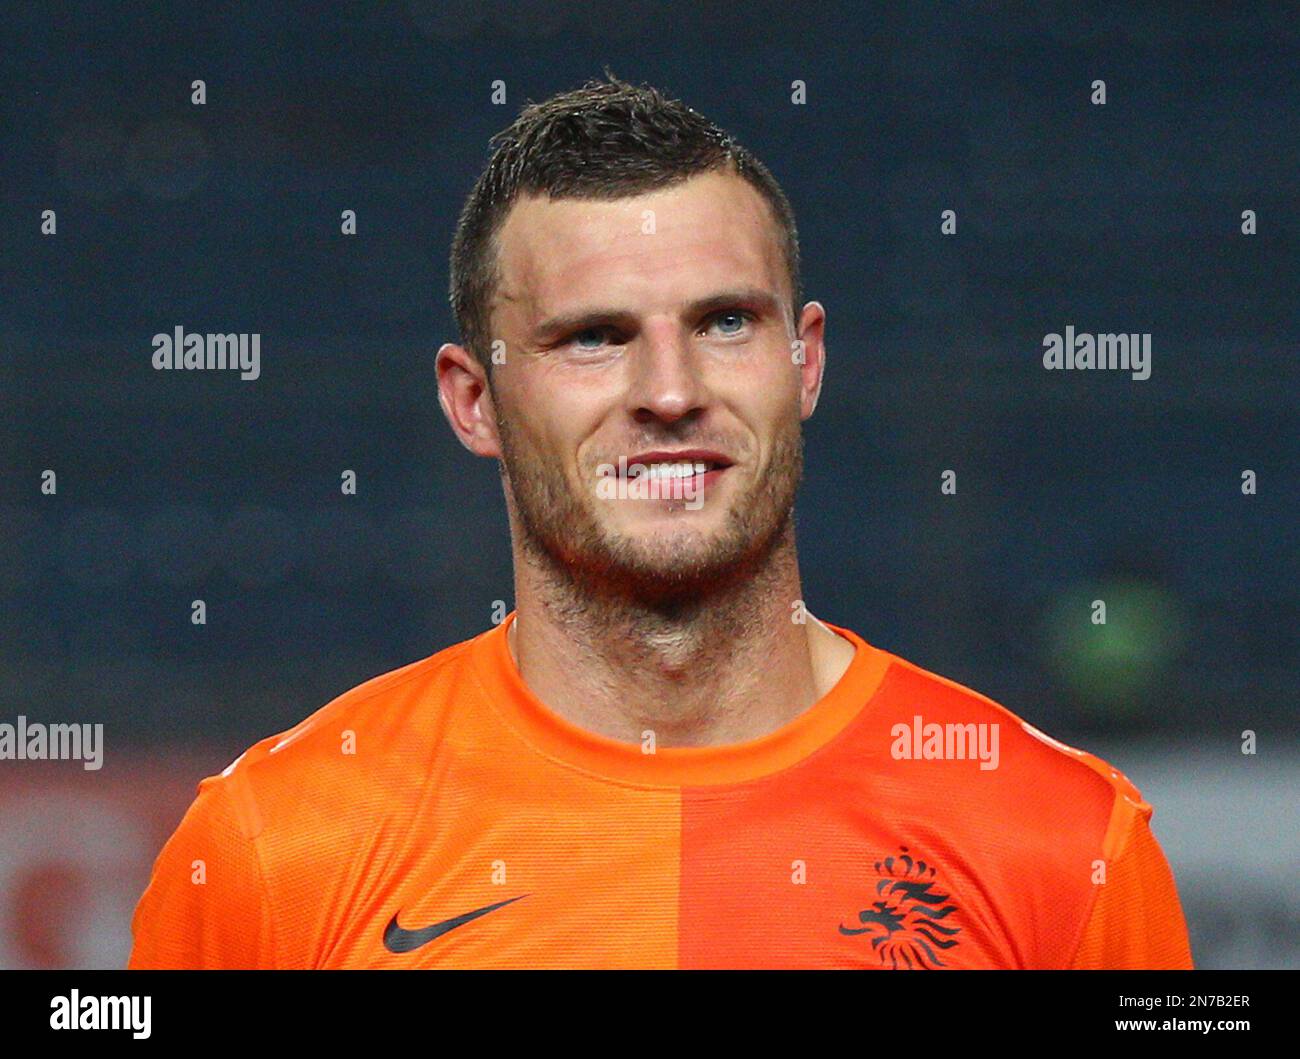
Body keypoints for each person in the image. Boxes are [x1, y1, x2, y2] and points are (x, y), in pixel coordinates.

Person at [128, 74, 1193, 969]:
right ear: (472, 401)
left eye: (726, 321)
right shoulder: (275, 850)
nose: (671, 390)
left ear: (805, 361)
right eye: (593, 337)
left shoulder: (1063, 843)